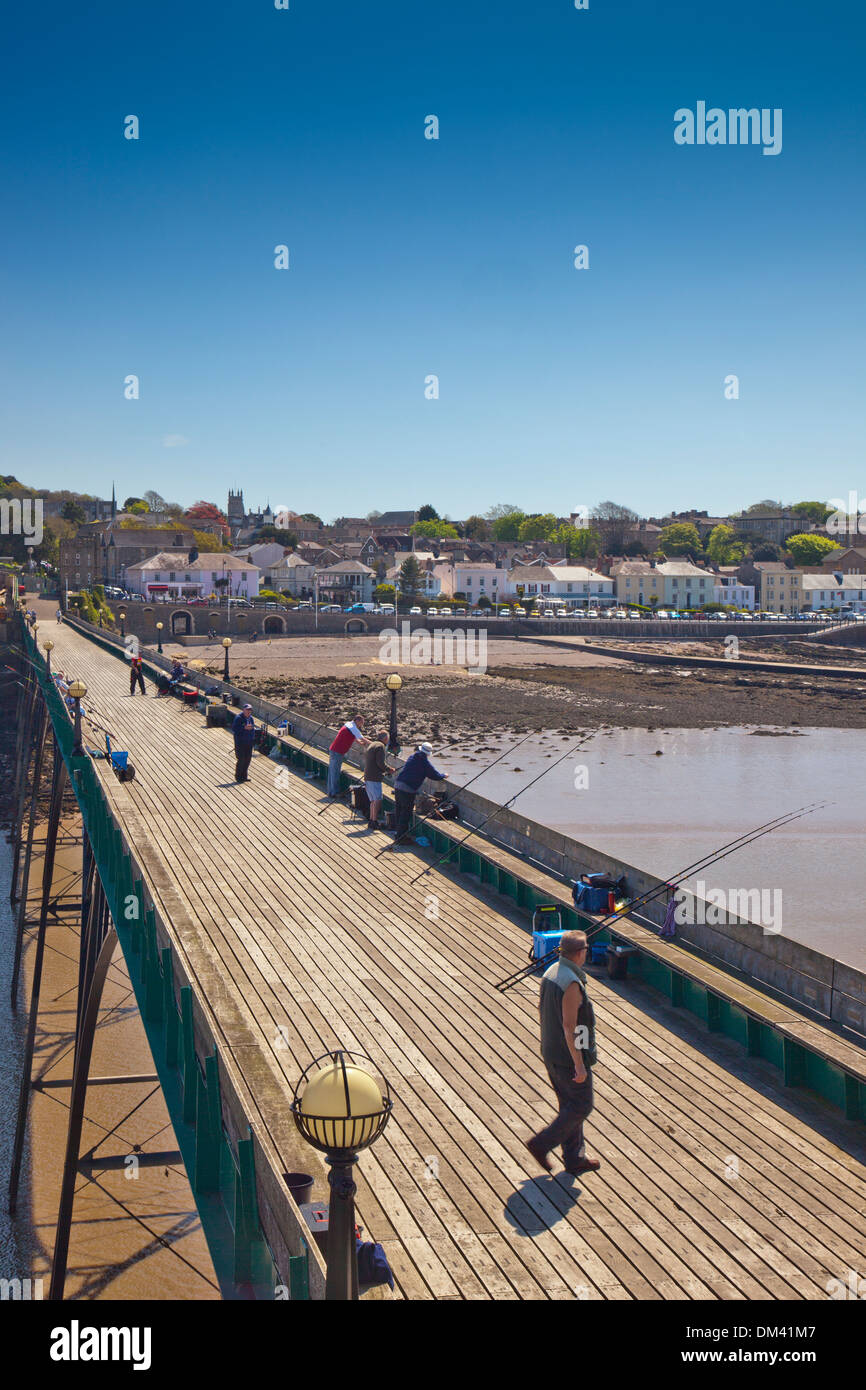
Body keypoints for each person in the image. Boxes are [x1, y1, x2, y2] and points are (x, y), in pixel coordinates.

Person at [526, 930, 600, 1178]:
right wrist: (579, 1065)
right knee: (581, 1105)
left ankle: (574, 1157)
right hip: (568, 1057)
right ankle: (541, 1144)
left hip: (551, 1050)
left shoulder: (551, 972)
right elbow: (570, 1027)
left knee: (569, 1105)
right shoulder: (571, 983)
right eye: (586, 949)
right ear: (580, 953)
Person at [384, 741, 446, 849]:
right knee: (406, 813)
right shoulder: (425, 763)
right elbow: (435, 775)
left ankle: (398, 834)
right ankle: (401, 838)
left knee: (399, 810)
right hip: (408, 789)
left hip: (398, 785)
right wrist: (443, 775)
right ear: (427, 754)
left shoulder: (412, 757)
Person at [327, 716, 368, 797]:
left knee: (332, 771)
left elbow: (354, 737)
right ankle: (335, 792)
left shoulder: (349, 725)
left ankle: (331, 791)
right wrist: (375, 744)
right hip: (337, 751)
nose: (362, 725)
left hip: (335, 750)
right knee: (335, 772)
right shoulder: (353, 727)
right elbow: (363, 738)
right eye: (361, 723)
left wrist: (360, 743)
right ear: (357, 720)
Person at [363, 729, 389, 831]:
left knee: (373, 800)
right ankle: (374, 821)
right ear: (385, 738)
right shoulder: (380, 746)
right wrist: (389, 769)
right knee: (377, 800)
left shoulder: (373, 744)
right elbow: (380, 763)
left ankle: (371, 821)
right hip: (374, 777)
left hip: (368, 776)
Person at [232, 703, 256, 782]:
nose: (249, 712)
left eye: (250, 710)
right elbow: (235, 729)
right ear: (243, 710)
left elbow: (252, 729)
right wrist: (244, 728)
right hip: (240, 742)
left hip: (249, 742)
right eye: (247, 710)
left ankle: (244, 776)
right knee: (241, 759)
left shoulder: (251, 718)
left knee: (247, 759)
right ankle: (238, 777)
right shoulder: (238, 718)